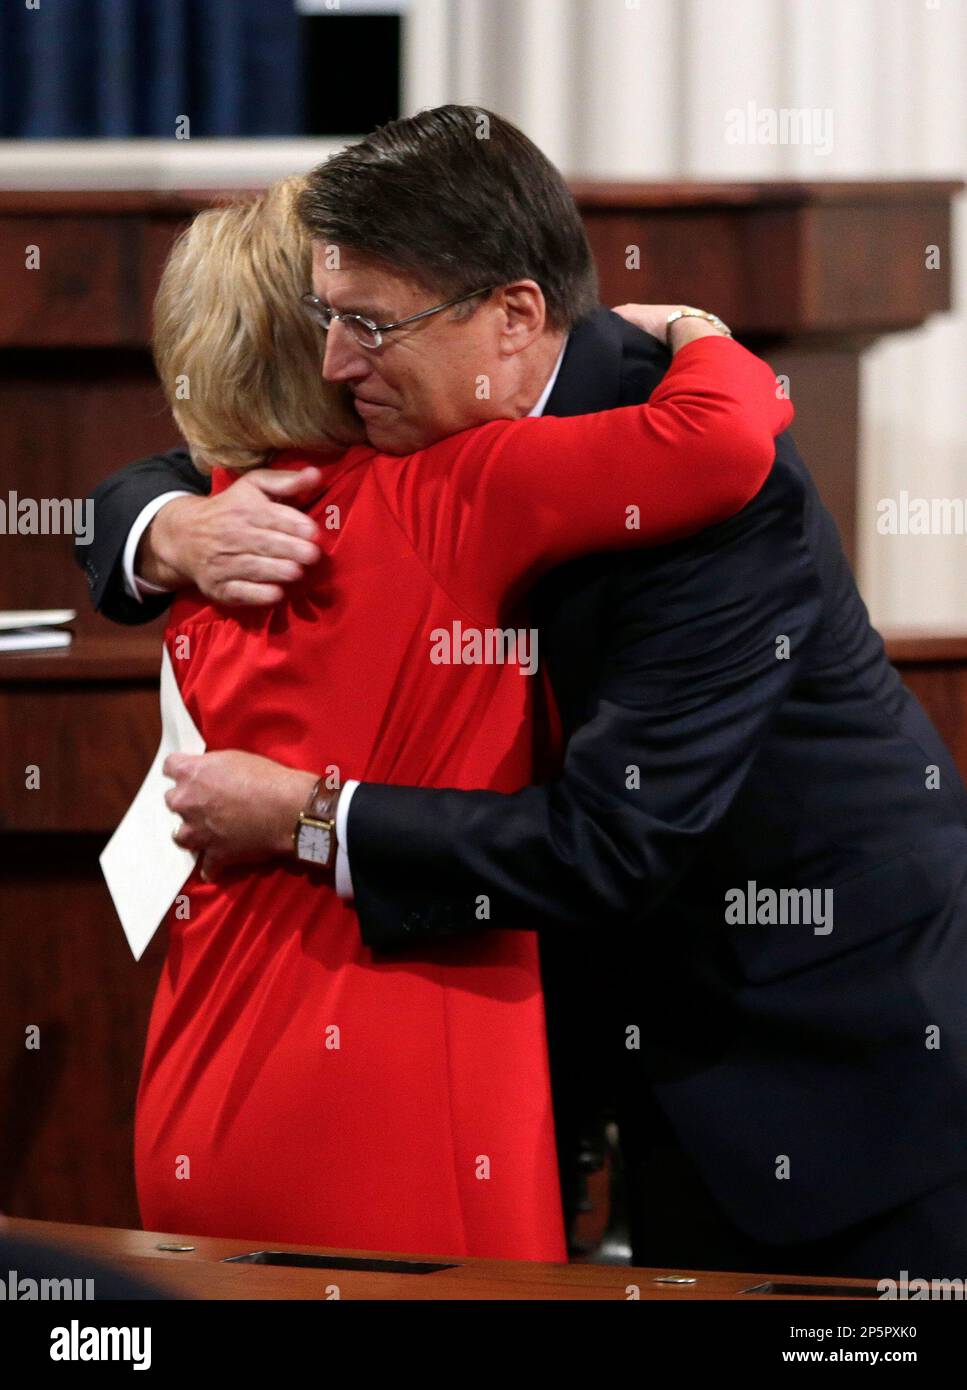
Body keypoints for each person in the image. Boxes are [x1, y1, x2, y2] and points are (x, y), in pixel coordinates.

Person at [78, 106, 967, 1279]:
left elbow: (610, 840)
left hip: (826, 1048)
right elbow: (206, 442)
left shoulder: (692, 490)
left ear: (514, 314)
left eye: (367, 325)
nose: (338, 363)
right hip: (604, 1037)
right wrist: (164, 525)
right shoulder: (414, 423)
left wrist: (305, 813)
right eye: (324, 319)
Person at [126, 173, 785, 1262]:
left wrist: (158, 527)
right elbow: (722, 438)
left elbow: (135, 506)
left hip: (206, 1062)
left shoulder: (202, 529)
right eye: (346, 314)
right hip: (403, 1069)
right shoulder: (449, 495)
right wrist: (693, 326)